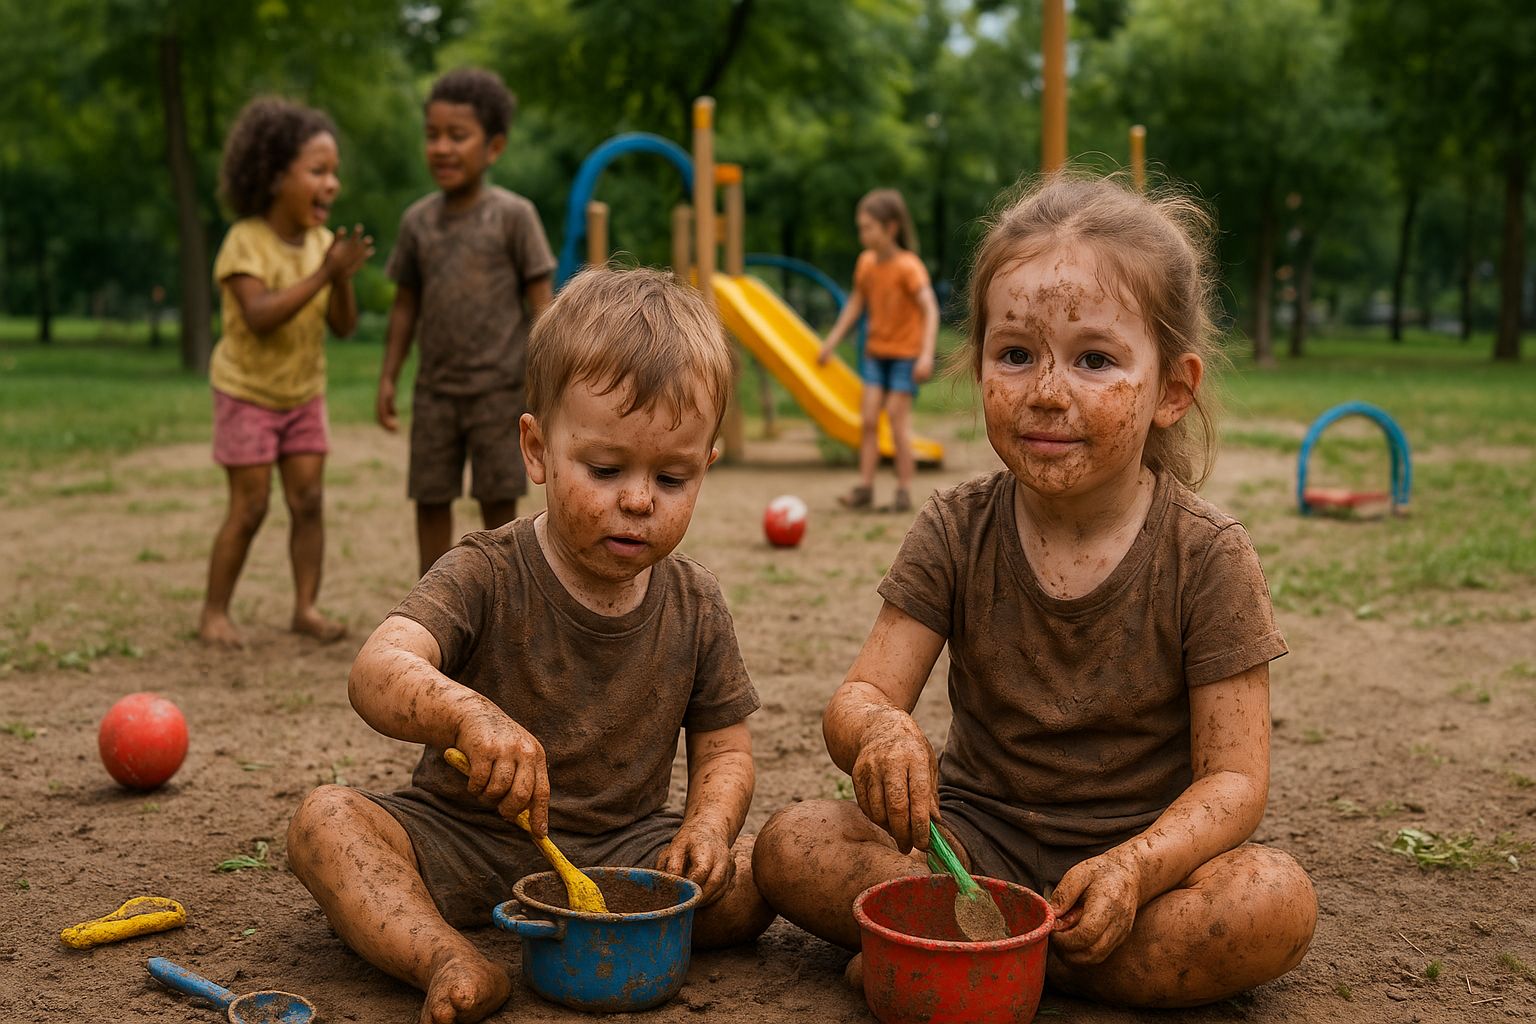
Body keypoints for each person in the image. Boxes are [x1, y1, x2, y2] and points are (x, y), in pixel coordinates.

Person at [755, 175, 1317, 1008]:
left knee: (1272, 900)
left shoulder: (1208, 557)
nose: (1047, 391)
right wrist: (882, 733)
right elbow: (862, 694)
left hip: (1141, 872)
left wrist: (1137, 865)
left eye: (1095, 359)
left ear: (1172, 388)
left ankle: (977, 956)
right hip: (965, 854)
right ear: (978, 364)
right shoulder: (955, 528)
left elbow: (1234, 781)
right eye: (1015, 354)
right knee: (790, 842)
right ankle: (1020, 951)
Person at [288, 267, 775, 1024]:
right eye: (606, 469)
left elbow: (727, 751)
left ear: (706, 467)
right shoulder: (485, 570)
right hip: (457, 839)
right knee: (327, 822)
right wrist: (464, 715)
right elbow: (377, 669)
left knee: (759, 874)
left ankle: (618, 913)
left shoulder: (697, 601)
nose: (639, 499)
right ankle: (447, 956)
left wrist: (706, 831)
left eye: (672, 478)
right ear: (538, 449)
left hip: (624, 857)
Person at [198, 97, 373, 649]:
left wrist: (340, 277)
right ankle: (214, 611)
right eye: (318, 171)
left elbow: (344, 326)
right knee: (250, 508)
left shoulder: (324, 247)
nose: (332, 183)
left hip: (302, 395)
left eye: (334, 172)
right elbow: (260, 316)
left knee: (310, 501)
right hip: (246, 393)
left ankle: (305, 606)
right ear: (275, 177)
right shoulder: (245, 241)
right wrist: (326, 272)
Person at [377, 67, 556, 577]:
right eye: (432, 135)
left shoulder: (514, 216)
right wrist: (389, 375)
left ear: (494, 147)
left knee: (499, 502)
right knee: (430, 498)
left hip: (501, 392)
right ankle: (431, 612)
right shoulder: (417, 222)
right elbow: (405, 306)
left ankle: (500, 601)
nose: (442, 148)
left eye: (458, 136)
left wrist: (547, 380)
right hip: (435, 392)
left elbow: (543, 305)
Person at [816, 188, 939, 513]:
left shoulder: (908, 267)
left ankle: (903, 489)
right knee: (868, 419)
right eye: (861, 227)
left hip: (906, 355)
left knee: (897, 419)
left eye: (868, 227)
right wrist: (830, 343)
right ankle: (866, 487)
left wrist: (926, 355)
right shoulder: (866, 264)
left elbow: (930, 309)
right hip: (875, 353)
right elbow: (856, 304)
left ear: (891, 228)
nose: (863, 234)